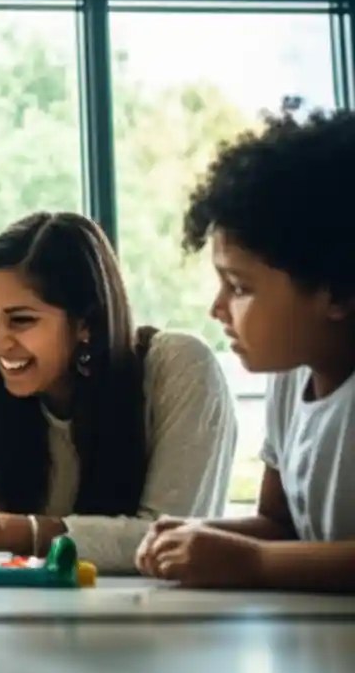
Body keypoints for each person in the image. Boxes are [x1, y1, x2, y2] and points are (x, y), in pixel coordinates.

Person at [0, 212, 236, 573]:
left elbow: (169, 540)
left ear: (86, 322)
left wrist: (6, 531)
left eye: (21, 320)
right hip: (28, 611)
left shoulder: (179, 366)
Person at [135, 107, 355, 592]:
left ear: (336, 293)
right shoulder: (290, 376)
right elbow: (282, 526)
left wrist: (254, 562)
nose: (217, 308)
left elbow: (269, 555)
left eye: (239, 287)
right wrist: (199, 536)